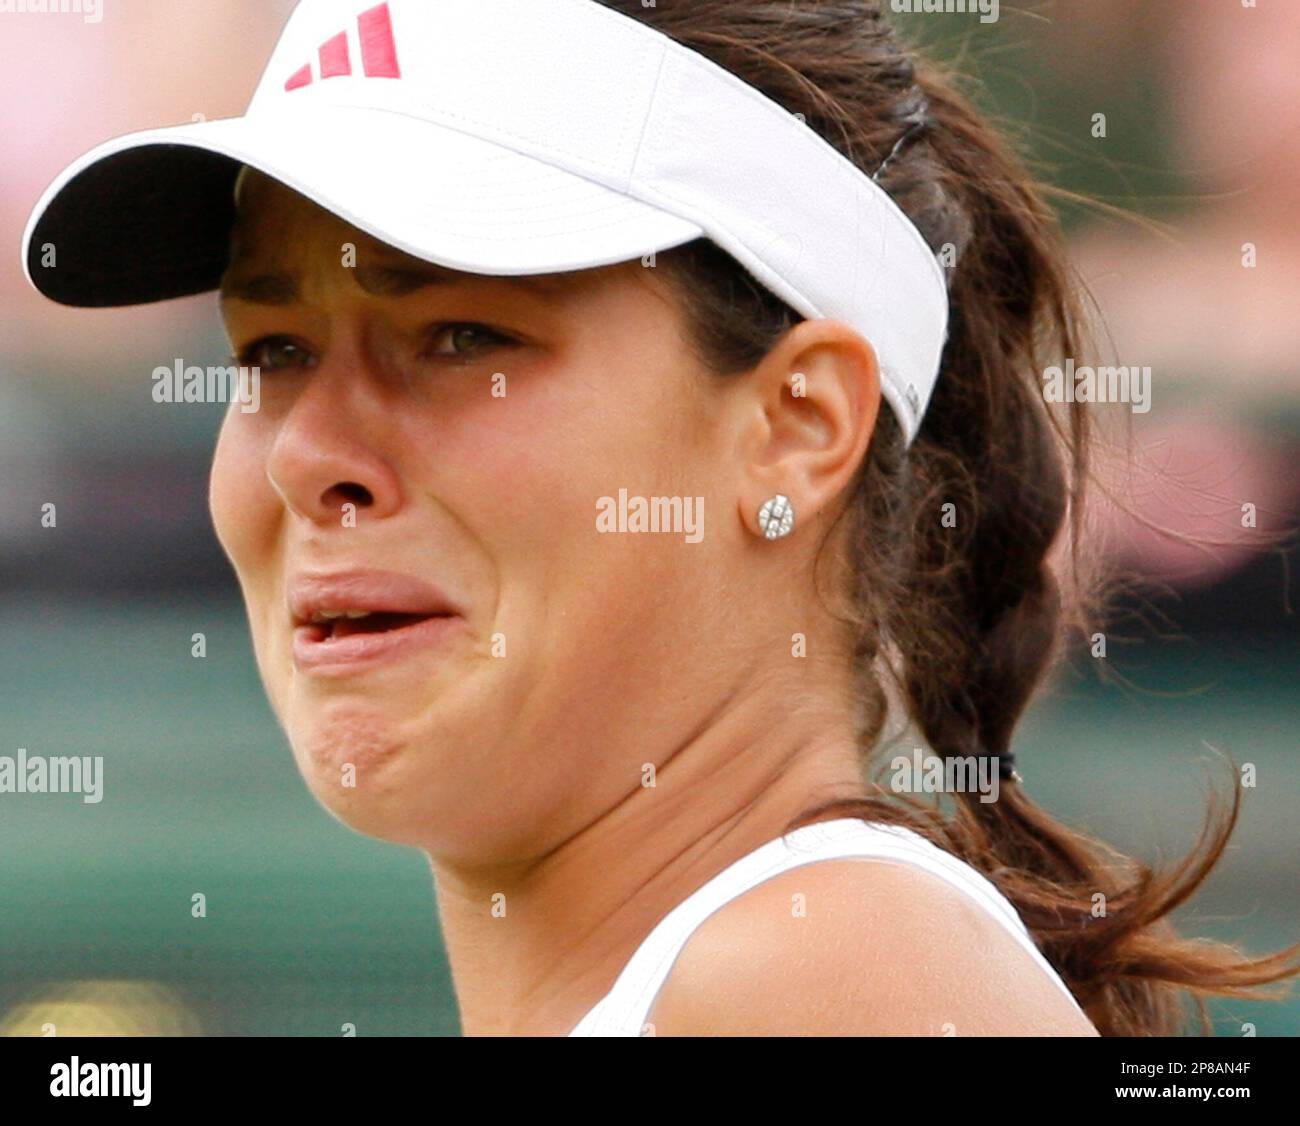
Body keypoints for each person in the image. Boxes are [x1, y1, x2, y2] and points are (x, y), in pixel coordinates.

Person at [22, 0, 1299, 1037]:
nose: (308, 456)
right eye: (273, 352)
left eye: (463, 337)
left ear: (797, 424)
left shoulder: (815, 977)